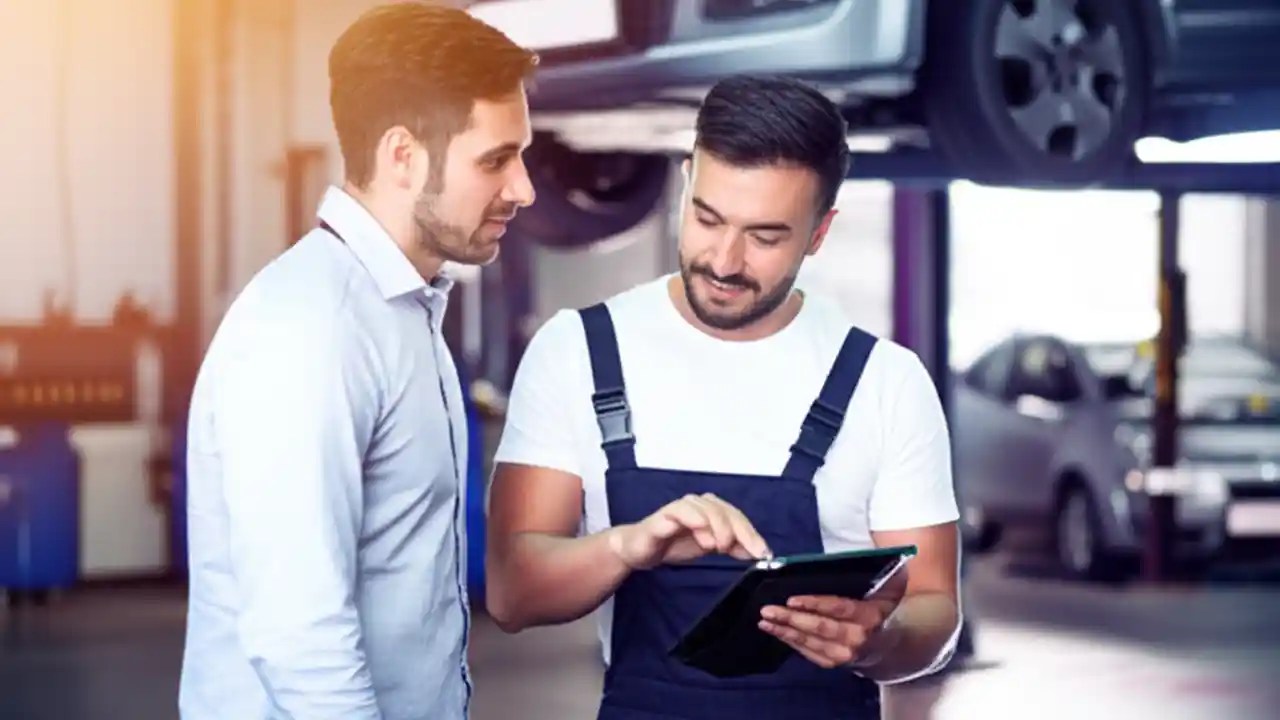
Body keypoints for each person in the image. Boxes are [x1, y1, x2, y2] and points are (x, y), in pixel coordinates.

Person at [485, 74, 962, 719]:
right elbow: (513, 593)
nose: (726, 261)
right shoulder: (579, 352)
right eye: (708, 219)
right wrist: (627, 547)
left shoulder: (885, 381)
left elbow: (935, 603)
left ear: (819, 232)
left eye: (766, 237)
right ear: (687, 181)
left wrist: (877, 640)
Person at [178, 4, 537, 718]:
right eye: (496, 159)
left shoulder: (400, 309)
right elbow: (298, 636)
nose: (523, 188)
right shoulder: (314, 328)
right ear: (402, 156)